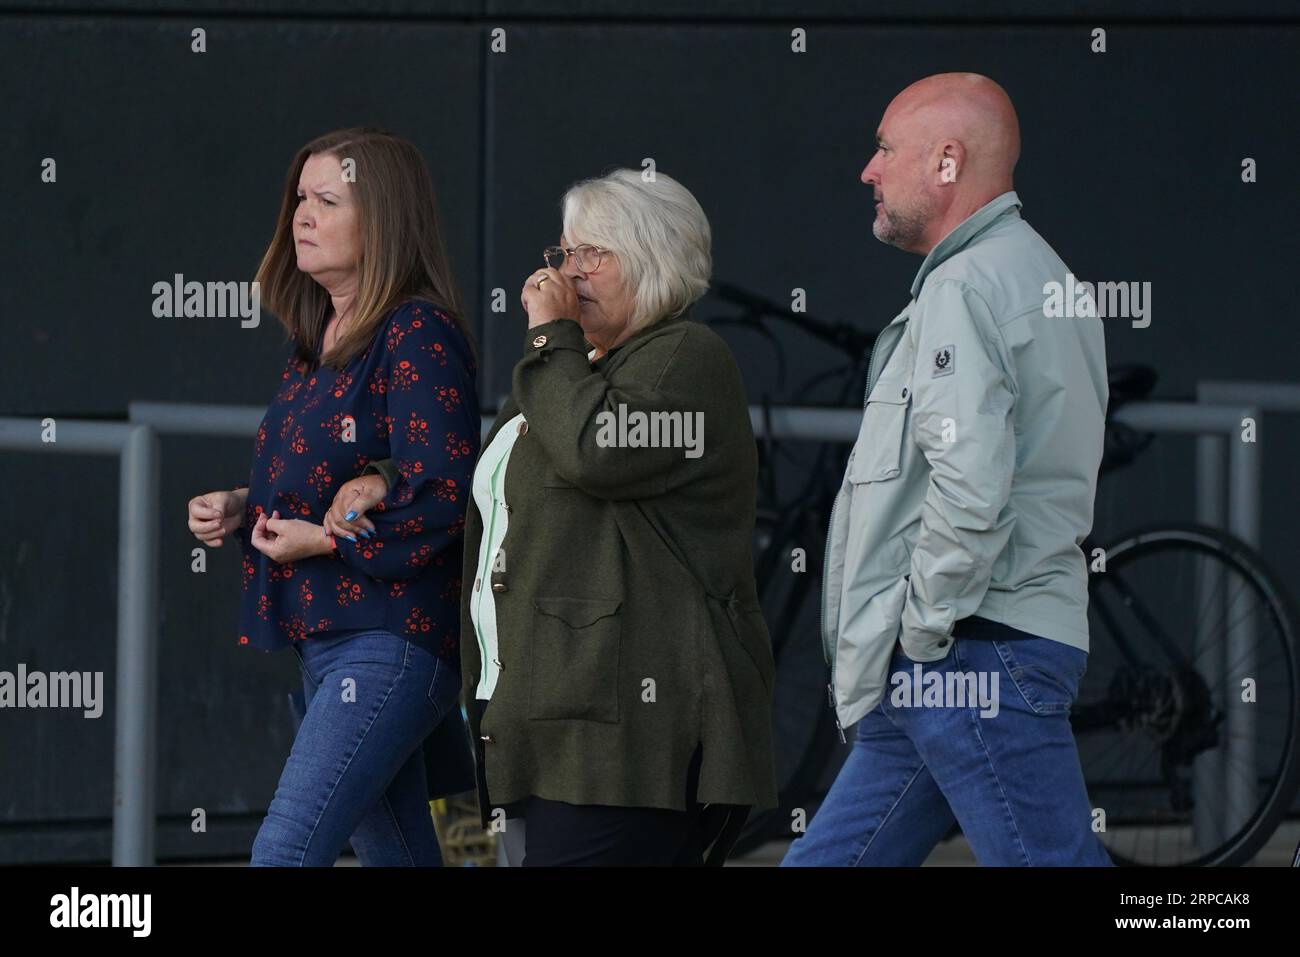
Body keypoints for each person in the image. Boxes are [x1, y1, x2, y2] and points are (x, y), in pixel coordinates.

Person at [330, 169, 778, 865]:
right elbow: (513, 476)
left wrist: (552, 339)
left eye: (590, 254)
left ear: (653, 256)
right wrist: (385, 479)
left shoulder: (686, 356)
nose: (566, 276)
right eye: (562, 255)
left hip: (629, 739)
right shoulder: (579, 365)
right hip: (545, 725)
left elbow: (597, 451)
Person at [782, 74, 1113, 866]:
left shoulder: (966, 287)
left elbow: (971, 479)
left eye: (886, 149)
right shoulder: (1042, 274)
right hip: (971, 650)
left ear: (946, 162)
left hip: (973, 647)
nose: (869, 169)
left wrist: (923, 627)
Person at [186, 127, 479, 866]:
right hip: (329, 644)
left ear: (382, 221)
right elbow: (320, 484)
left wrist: (323, 539)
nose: (300, 216)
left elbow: (447, 491)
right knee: (401, 857)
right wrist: (241, 504)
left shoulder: (417, 330)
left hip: (388, 641)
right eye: (298, 198)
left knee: (282, 852)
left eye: (326, 199)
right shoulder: (317, 337)